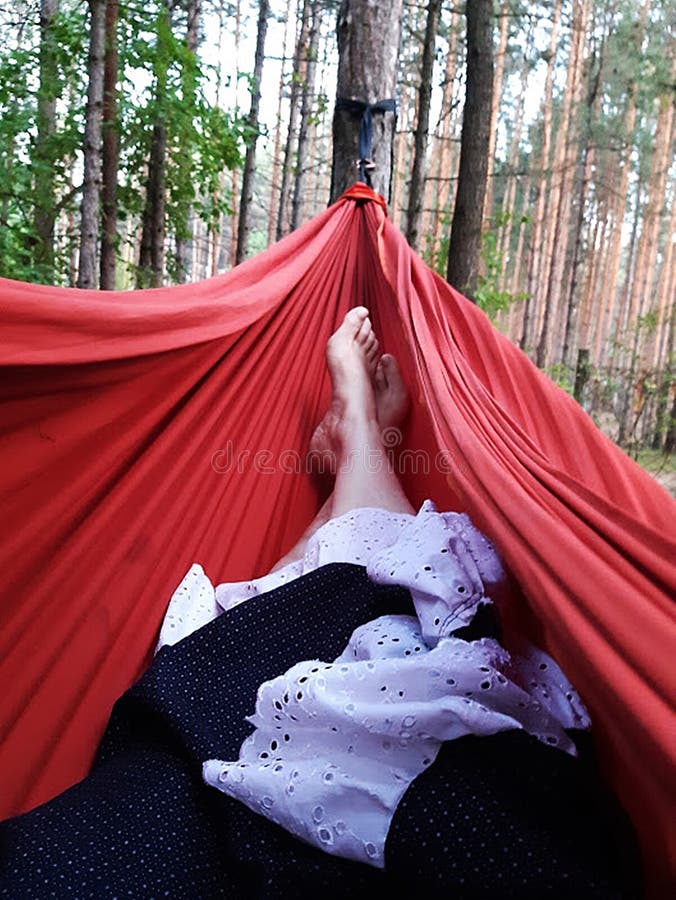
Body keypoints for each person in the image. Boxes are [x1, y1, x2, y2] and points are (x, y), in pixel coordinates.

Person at [0, 309, 642, 899]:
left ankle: (355, 454)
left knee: (305, 640)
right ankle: (360, 445)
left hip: (147, 823)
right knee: (378, 633)